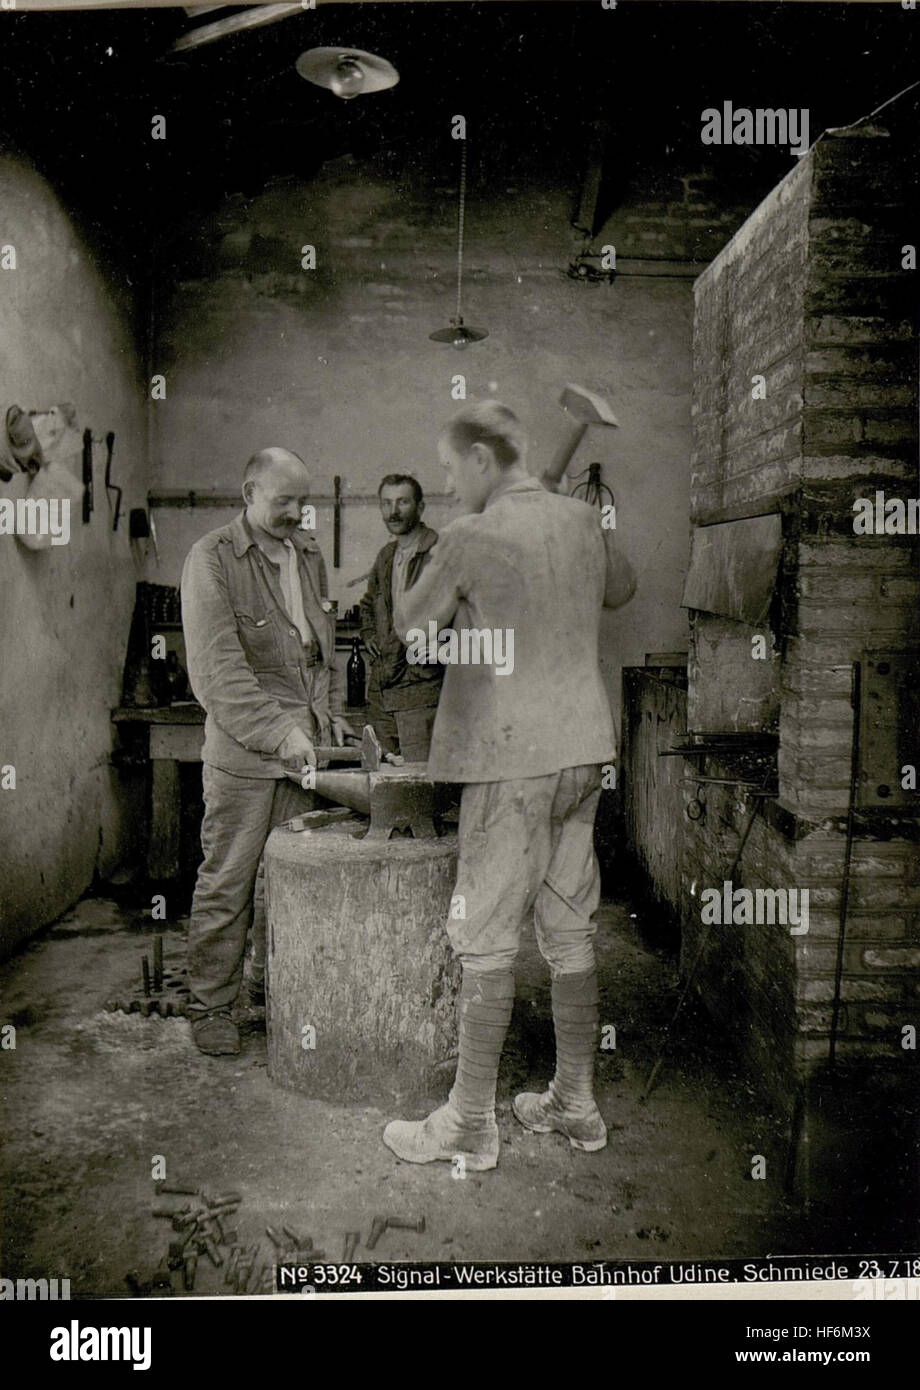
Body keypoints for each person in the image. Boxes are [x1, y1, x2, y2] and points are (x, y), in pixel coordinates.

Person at [382, 402, 636, 1170]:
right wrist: (566, 531)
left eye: (454, 468)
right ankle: (575, 1105)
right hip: (584, 753)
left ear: (484, 460)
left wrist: (408, 575)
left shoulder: (466, 536)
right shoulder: (582, 521)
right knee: (568, 929)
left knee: (485, 937)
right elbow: (621, 588)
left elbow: (413, 633)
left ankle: (466, 1124)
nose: (449, 484)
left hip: (509, 760)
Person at [181, 447, 354, 1056]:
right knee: (229, 881)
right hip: (247, 756)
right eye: (284, 502)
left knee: (289, 884)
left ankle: (273, 991)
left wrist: (330, 713)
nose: (296, 513)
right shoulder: (211, 559)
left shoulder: (307, 554)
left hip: (305, 751)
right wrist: (281, 732)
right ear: (250, 490)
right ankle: (210, 1007)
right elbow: (218, 673)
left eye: (303, 502)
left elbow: (324, 646)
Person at [358, 474, 443, 760]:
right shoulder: (386, 555)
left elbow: (466, 611)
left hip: (421, 692)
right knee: (381, 779)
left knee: (419, 786)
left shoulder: (440, 552)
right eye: (386, 503)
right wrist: (369, 634)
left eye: (402, 502)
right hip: (381, 695)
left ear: (420, 507)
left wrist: (442, 651)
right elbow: (368, 604)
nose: (393, 511)